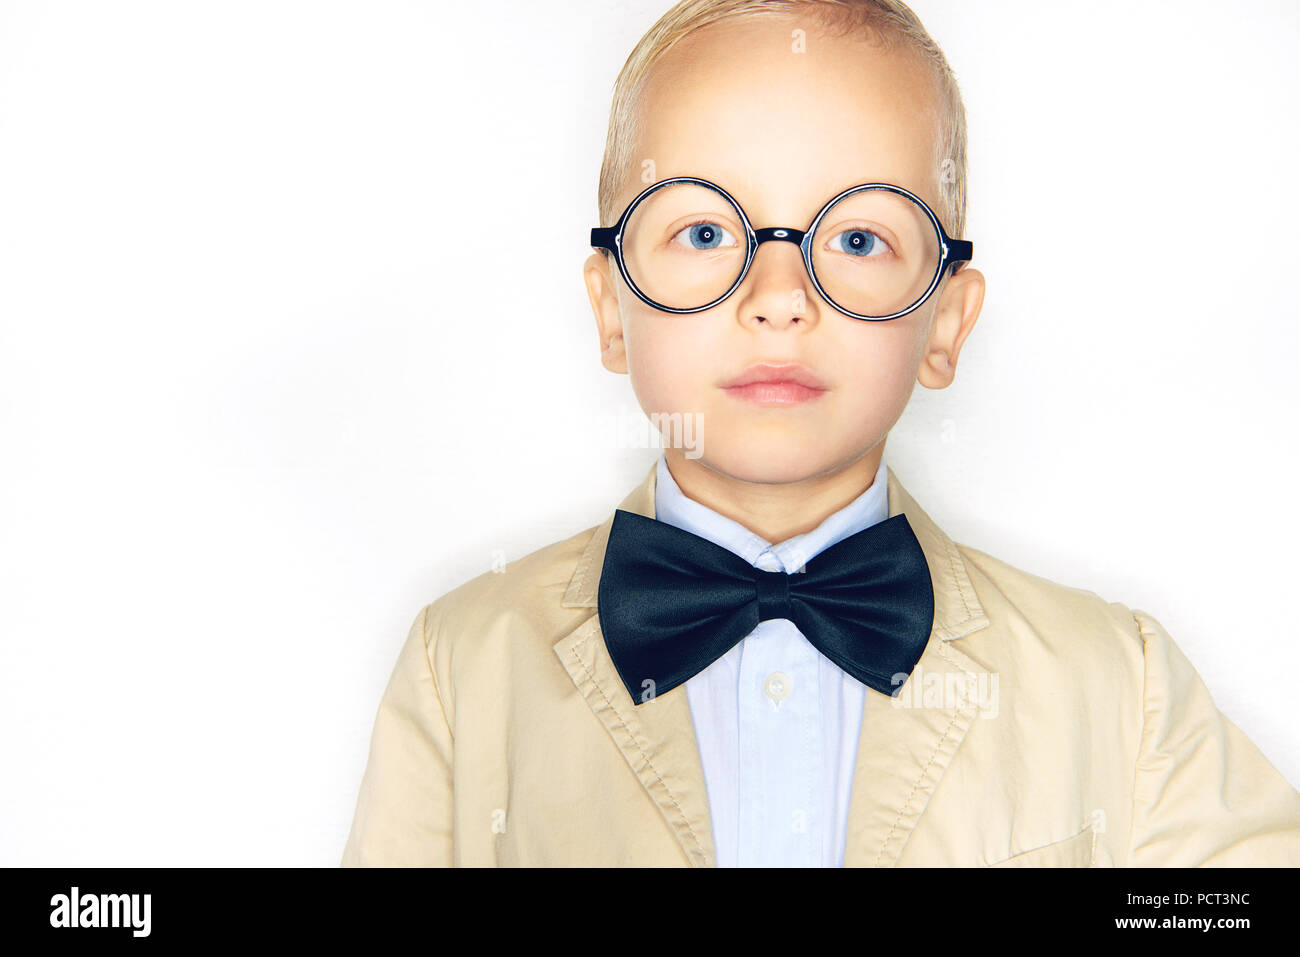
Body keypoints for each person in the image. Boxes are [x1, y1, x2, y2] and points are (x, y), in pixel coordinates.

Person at [341, 0, 1300, 866]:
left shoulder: (1116, 685)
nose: (779, 299)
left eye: (857, 239)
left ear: (946, 323)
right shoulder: (461, 671)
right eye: (706, 232)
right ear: (610, 308)